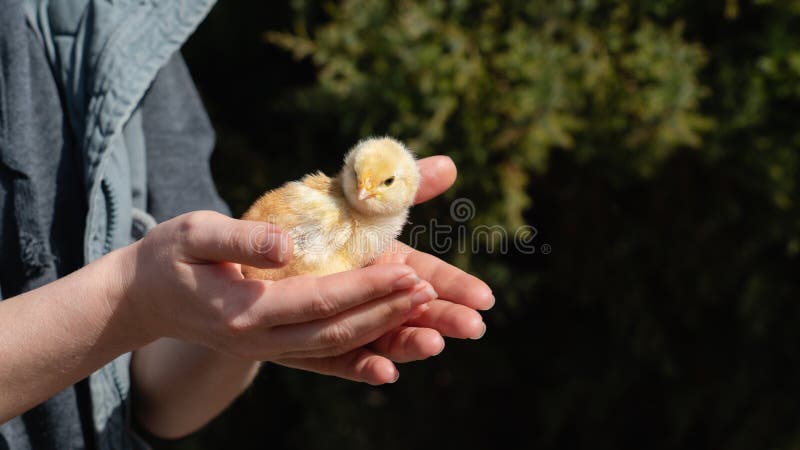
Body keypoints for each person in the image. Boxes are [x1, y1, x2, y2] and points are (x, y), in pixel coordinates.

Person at [0, 1, 493, 448]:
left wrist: (240, 328)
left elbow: (161, 401)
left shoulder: (126, 24)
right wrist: (127, 298)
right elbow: (157, 296)